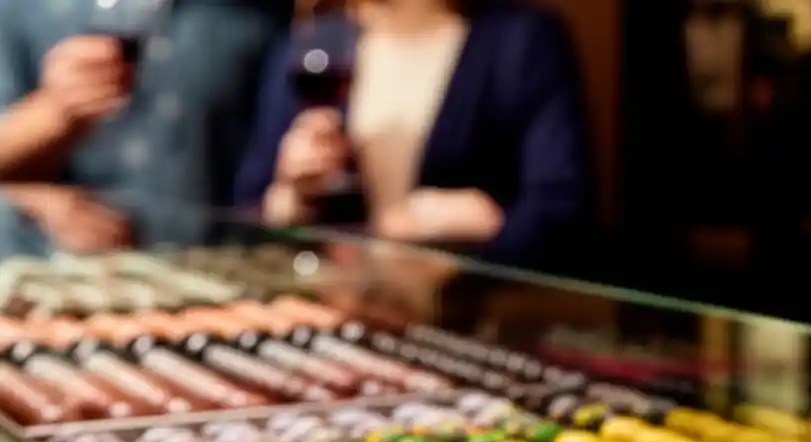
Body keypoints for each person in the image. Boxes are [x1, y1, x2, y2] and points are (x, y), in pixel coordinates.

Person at [233, 0, 592, 265]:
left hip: (473, 320)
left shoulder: (521, 41)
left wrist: (482, 223)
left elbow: (561, 213)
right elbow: (249, 211)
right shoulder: (313, 44)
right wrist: (295, 195)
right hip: (334, 316)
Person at [0, 0, 292, 254]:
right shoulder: (24, 9)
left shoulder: (259, 15)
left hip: (207, 278)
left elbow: (273, 180)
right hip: (54, 275)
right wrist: (33, 197)